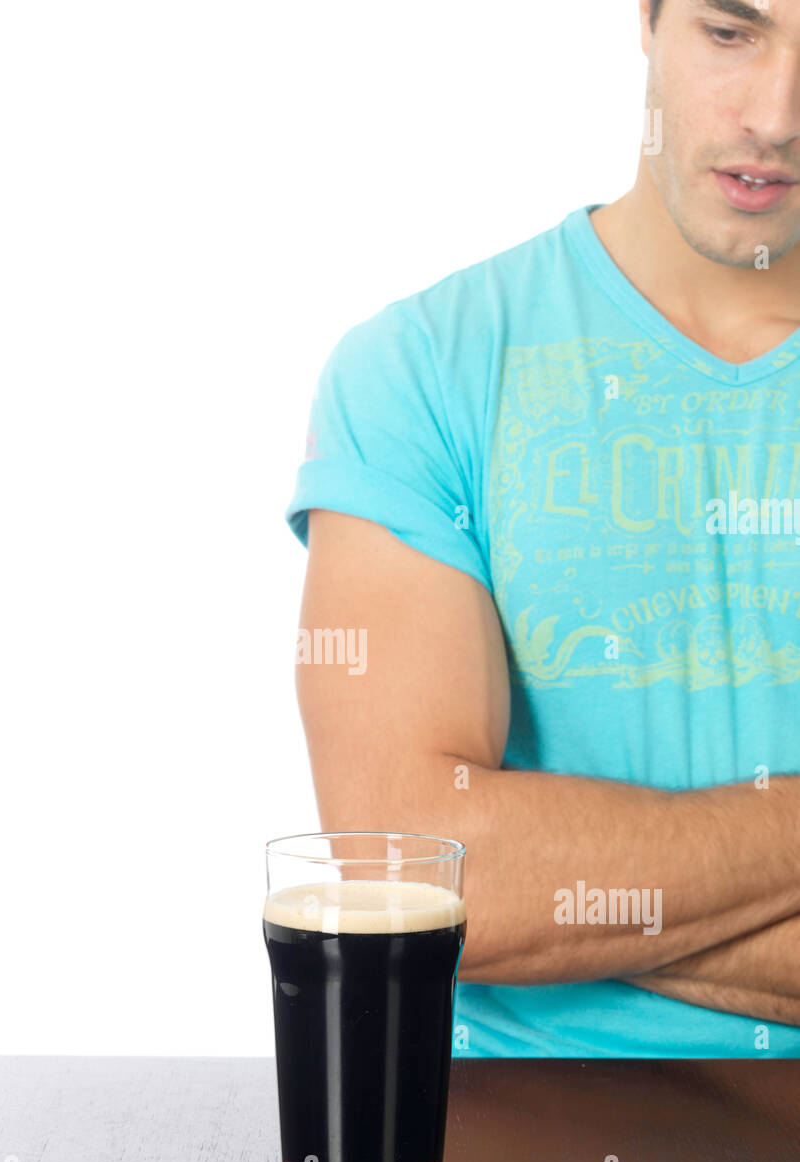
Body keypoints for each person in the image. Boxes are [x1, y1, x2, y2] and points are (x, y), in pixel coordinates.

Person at [285, 0, 800, 1058]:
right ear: (646, 20)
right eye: (730, 31)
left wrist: (561, 909)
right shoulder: (425, 367)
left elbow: (481, 896)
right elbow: (411, 870)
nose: (774, 114)